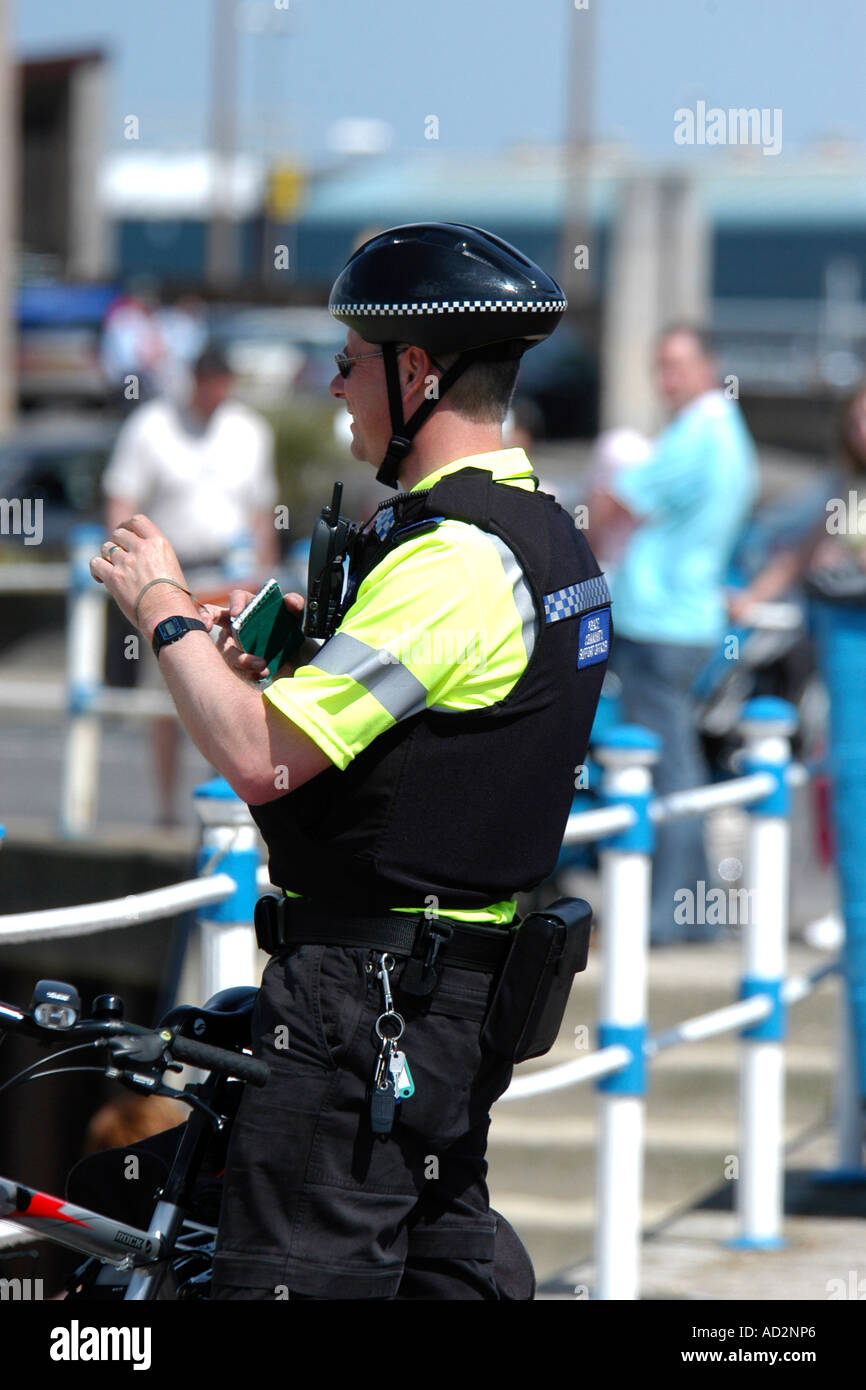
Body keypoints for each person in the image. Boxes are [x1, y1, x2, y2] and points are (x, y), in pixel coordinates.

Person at [89, 222, 610, 1299]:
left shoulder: (450, 562)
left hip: (359, 1009)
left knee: (289, 1279)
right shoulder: (543, 536)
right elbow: (445, 719)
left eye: (349, 359)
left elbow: (257, 758)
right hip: (448, 1002)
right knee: (439, 1272)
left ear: (416, 373)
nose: (332, 385)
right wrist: (279, 649)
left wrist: (163, 612)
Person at [588, 325, 759, 945]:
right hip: (685, 618)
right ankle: (694, 910)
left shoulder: (699, 432)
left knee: (663, 771)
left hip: (661, 620)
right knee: (674, 766)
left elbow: (619, 497)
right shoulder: (725, 433)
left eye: (677, 366)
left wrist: (572, 556)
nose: (667, 380)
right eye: (661, 367)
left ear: (709, 366)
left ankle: (669, 918)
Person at [101, 344, 278, 824]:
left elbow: (262, 511)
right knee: (169, 697)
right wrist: (126, 568)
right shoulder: (151, 427)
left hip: (233, 579)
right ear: (195, 381)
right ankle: (166, 812)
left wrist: (264, 576)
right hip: (171, 577)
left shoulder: (249, 430)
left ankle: (226, 814)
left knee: (232, 693)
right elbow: (120, 503)